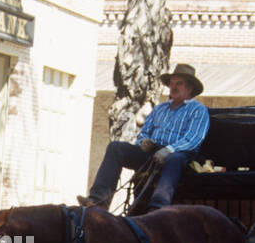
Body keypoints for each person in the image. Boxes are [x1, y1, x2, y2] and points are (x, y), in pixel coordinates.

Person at [80, 63, 210, 211]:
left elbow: (193, 139)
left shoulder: (198, 110)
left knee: (174, 159)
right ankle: (98, 201)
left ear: (190, 88)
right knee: (116, 148)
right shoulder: (160, 108)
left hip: (179, 156)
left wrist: (168, 150)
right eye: (171, 83)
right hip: (152, 152)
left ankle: (157, 207)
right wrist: (143, 142)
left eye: (179, 84)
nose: (173, 87)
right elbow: (144, 132)